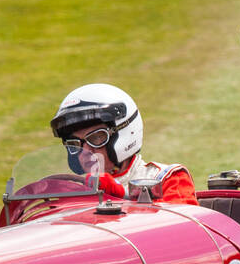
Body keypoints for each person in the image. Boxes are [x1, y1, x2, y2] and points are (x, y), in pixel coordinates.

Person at [49, 83, 198, 205]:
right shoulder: (71, 193)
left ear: (125, 132)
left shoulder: (167, 178)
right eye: (75, 143)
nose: (85, 151)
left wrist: (120, 194)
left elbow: (185, 229)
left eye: (96, 138)